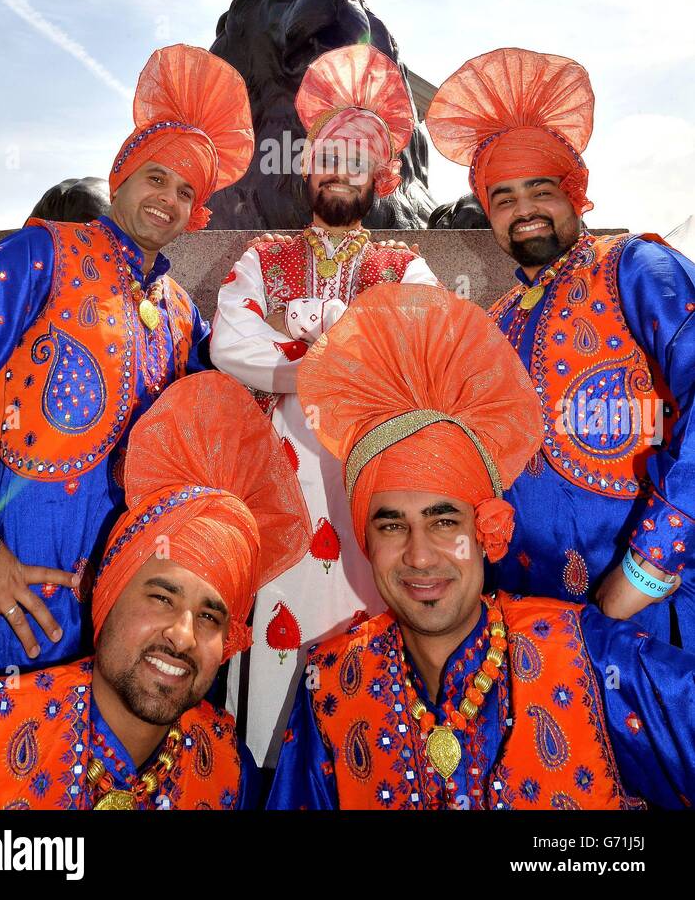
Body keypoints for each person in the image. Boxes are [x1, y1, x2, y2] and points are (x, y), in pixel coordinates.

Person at [269, 284, 695, 811]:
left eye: (444, 521)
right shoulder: (331, 683)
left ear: (485, 529)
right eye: (392, 526)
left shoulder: (591, 656)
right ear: (365, 540)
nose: (420, 556)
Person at [0, 44, 254, 681]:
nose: (168, 198)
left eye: (185, 190)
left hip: (129, 586)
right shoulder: (43, 254)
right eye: (155, 178)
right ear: (120, 181)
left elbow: (220, 407)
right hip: (24, 571)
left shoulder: (184, 313)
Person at [0, 371, 310, 810]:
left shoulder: (231, 773)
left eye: (210, 616)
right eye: (162, 598)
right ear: (106, 597)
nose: (184, 636)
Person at [210, 44, 439, 765]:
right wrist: (349, 347)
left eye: (356, 160)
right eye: (328, 157)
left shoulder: (406, 267)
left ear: (380, 176)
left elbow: (420, 352)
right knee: (270, 693)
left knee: (364, 684)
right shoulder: (262, 255)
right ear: (311, 169)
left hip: (370, 499)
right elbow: (229, 344)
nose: (339, 172)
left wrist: (298, 332)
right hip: (280, 503)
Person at [425, 47, 695, 647]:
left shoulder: (636, 268)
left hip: (648, 613)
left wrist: (647, 568)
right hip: (530, 622)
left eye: (540, 189)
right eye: (503, 198)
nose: (524, 211)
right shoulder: (494, 324)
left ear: (574, 192)